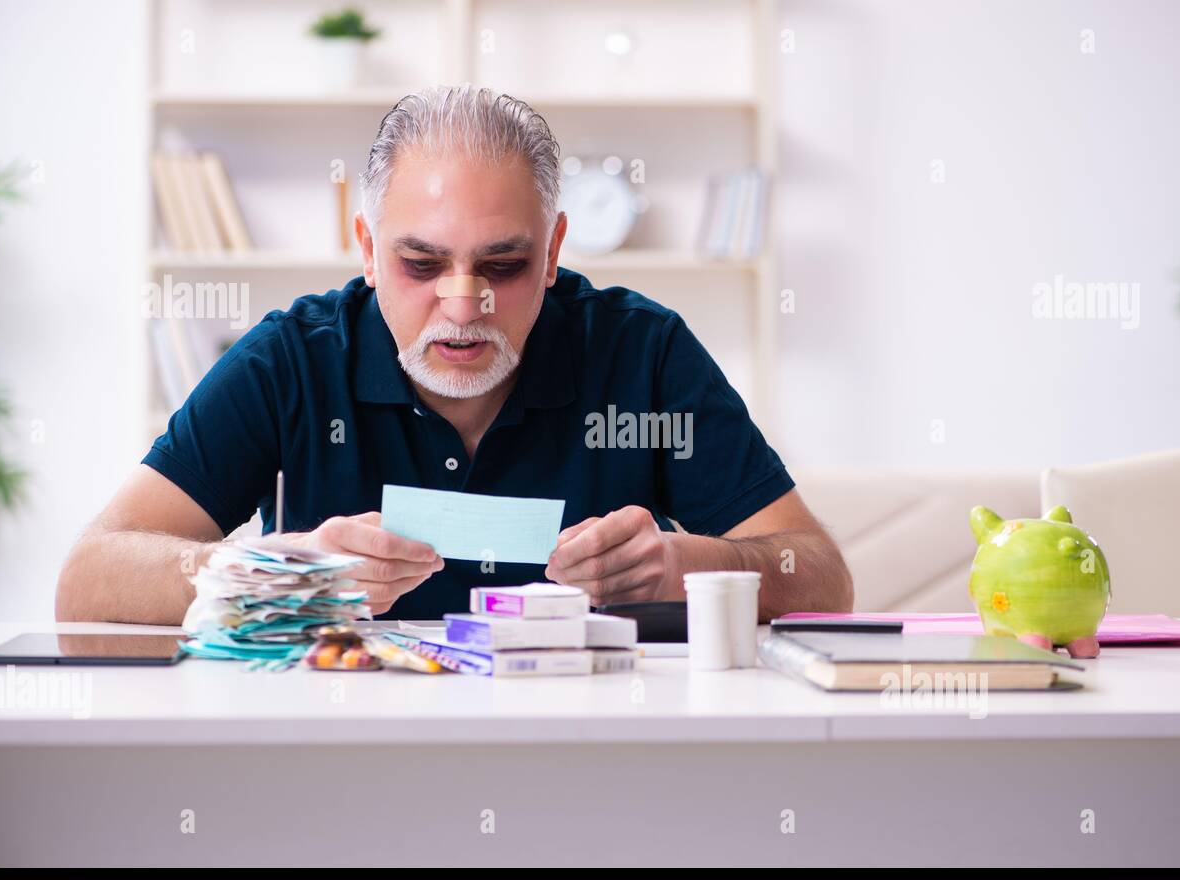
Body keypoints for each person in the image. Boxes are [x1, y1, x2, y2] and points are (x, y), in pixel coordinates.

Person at [55, 86, 853, 624]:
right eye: (422, 264)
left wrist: (684, 567)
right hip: (337, 775)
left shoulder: (641, 354)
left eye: (502, 265)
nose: (464, 303)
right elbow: (87, 580)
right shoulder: (292, 360)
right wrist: (280, 574)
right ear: (366, 250)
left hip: (597, 774)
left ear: (553, 252)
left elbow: (821, 576)